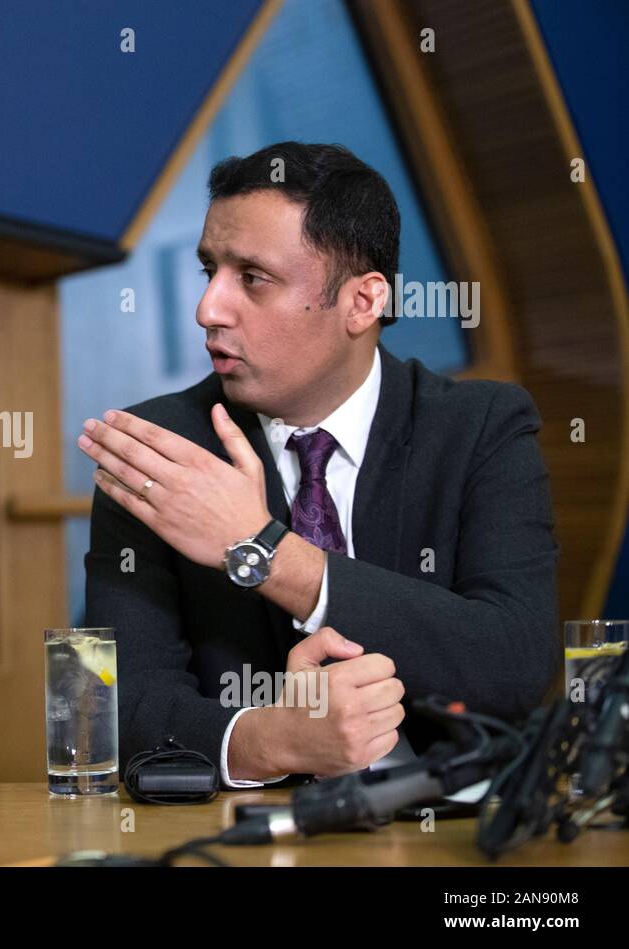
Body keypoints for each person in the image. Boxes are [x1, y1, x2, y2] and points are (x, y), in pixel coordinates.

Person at [80, 142, 558, 787]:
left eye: (253, 277)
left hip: (453, 825)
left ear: (362, 302)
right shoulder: (161, 450)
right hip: (244, 830)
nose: (208, 309)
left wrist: (262, 551)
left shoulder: (479, 427)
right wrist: (268, 742)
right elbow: (117, 704)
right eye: (210, 270)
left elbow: (516, 663)